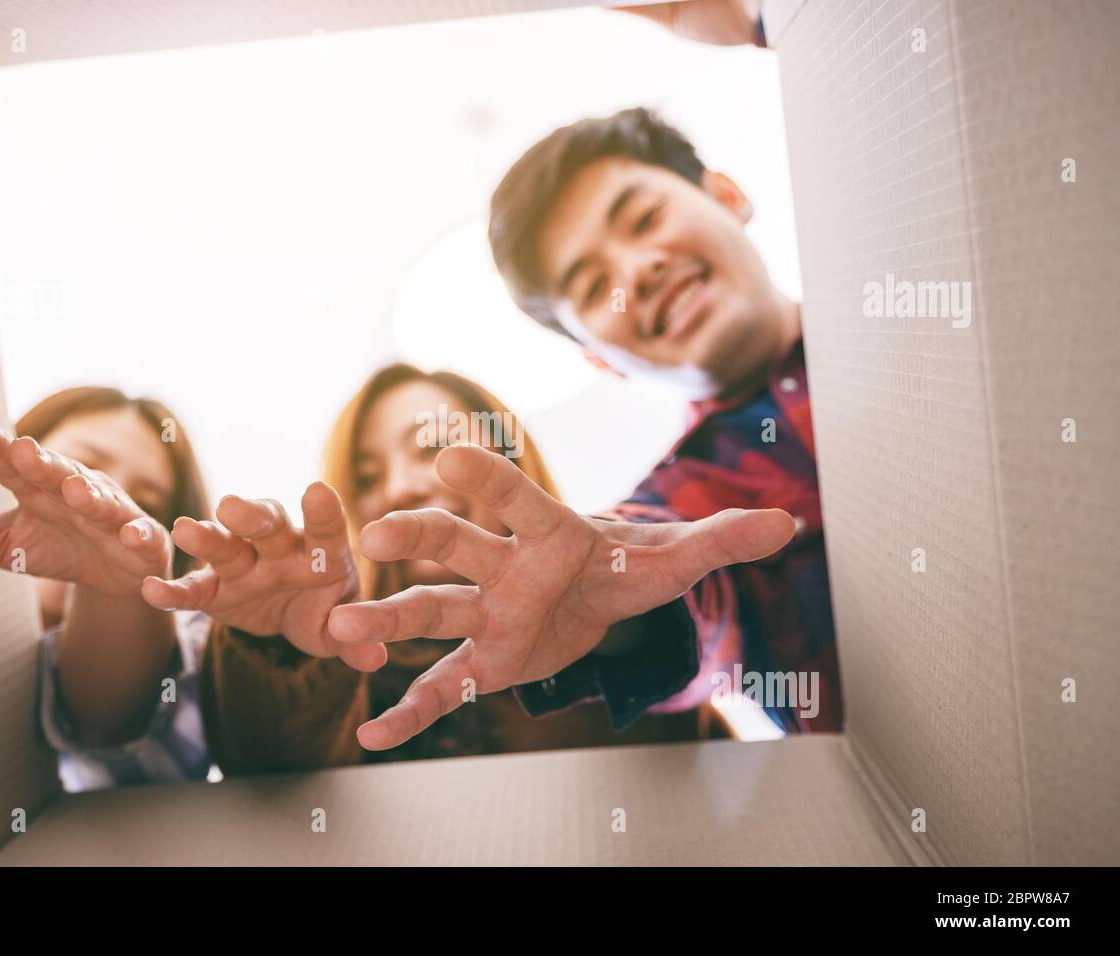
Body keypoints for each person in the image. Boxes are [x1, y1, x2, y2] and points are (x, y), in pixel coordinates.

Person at [147, 363, 792, 770]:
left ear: (509, 457)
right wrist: (274, 650)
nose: (398, 486)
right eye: (366, 475)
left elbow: (709, 655)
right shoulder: (344, 674)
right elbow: (270, 774)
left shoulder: (607, 570)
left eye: (429, 445)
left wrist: (617, 630)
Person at [483, 106, 841, 734]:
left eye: (644, 220)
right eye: (595, 288)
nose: (637, 273)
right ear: (599, 358)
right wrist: (605, 598)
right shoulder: (683, 508)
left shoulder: (920, 298)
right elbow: (675, 600)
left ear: (725, 194)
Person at [0, 387, 214, 790]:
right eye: (81, 468)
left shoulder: (184, 650)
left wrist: (120, 586)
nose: (106, 503)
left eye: (146, 506)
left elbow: (107, 719)